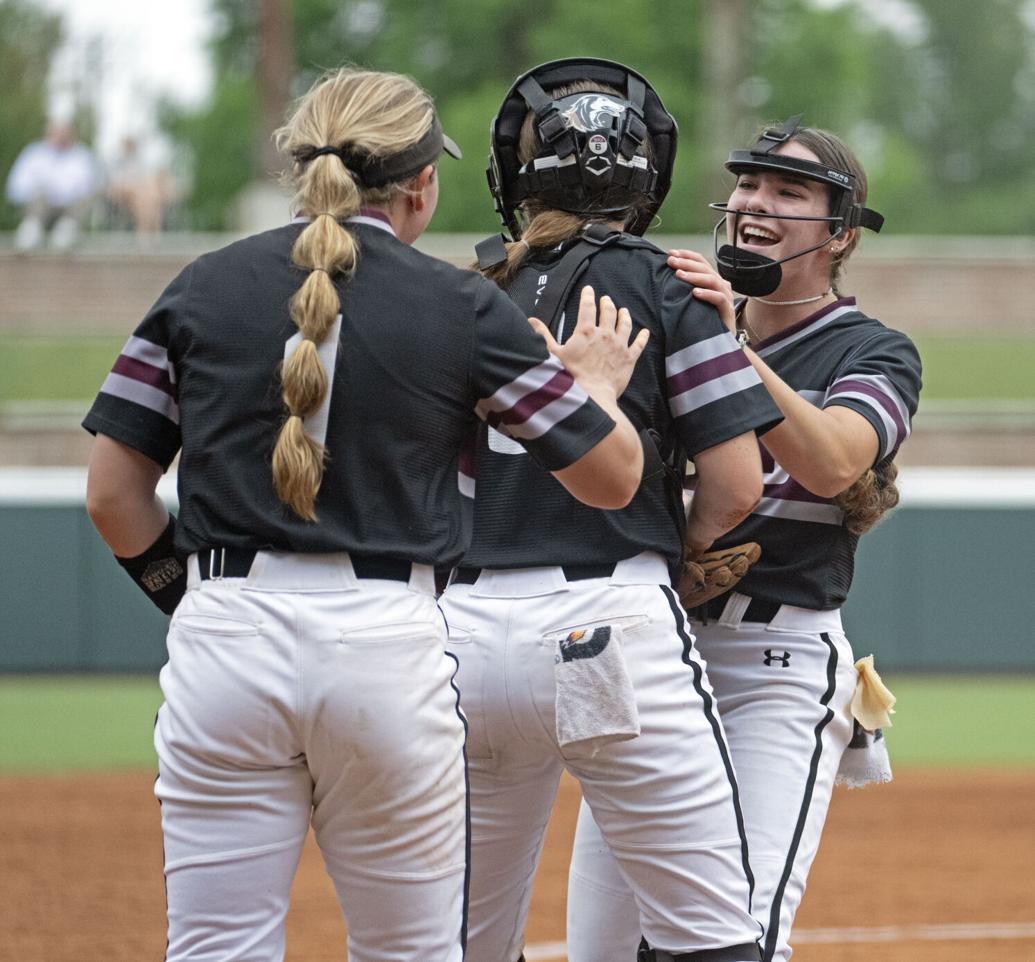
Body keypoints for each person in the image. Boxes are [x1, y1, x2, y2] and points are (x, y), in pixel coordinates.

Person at [82, 66, 649, 962]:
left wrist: (186, 596)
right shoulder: (462, 304)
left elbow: (113, 495)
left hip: (226, 632)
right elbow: (611, 480)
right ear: (420, 184)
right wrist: (598, 387)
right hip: (383, 637)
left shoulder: (201, 284)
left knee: (215, 946)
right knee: (409, 949)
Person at [439, 58, 784, 962]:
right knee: (709, 936)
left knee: (463, 940)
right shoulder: (667, 281)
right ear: (644, 177)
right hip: (607, 614)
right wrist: (689, 549)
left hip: (458, 635)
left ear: (517, 175)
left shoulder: (468, 290)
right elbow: (736, 484)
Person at [567, 115, 922, 962]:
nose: (755, 201)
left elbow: (833, 461)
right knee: (602, 948)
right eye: (748, 184)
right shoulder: (667, 320)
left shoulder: (872, 350)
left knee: (736, 941)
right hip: (653, 651)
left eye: (788, 191)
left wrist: (719, 348)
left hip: (774, 663)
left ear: (841, 233)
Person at [5, 120, 99, 251]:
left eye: (64, 133)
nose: (61, 136)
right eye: (57, 132)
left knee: (86, 197)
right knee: (38, 196)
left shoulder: (83, 156)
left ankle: (66, 232)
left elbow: (90, 185)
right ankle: (31, 231)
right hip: (38, 205)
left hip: (72, 208)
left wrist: (61, 194)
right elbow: (17, 186)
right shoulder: (33, 153)